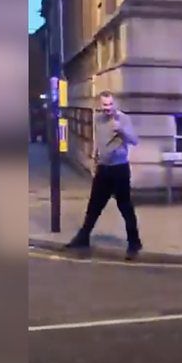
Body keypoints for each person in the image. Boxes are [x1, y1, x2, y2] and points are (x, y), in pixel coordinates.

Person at [65, 91, 143, 260]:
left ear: (114, 104)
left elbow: (135, 140)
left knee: (125, 207)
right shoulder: (97, 119)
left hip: (119, 169)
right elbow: (97, 141)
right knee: (94, 206)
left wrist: (121, 130)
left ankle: (134, 242)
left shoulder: (123, 119)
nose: (108, 108)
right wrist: (94, 160)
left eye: (110, 105)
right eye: (104, 105)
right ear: (100, 105)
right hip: (103, 168)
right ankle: (83, 238)